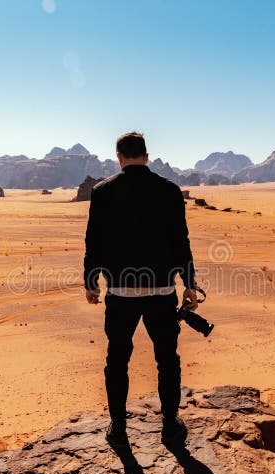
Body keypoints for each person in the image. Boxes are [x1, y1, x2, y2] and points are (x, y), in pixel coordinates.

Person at [84, 132, 198, 449]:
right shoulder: (170, 191)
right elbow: (181, 241)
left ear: (119, 157)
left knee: (117, 360)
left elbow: (94, 241)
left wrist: (91, 281)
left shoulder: (102, 191)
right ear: (147, 156)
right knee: (167, 360)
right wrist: (189, 282)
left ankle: (118, 430)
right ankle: (170, 427)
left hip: (120, 292)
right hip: (162, 292)